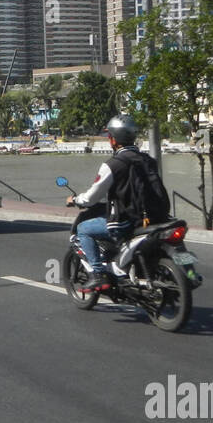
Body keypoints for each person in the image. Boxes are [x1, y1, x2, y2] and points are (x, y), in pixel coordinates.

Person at [66, 116, 170, 292]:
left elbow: (92, 197)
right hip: (155, 217)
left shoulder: (113, 164)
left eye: (109, 137)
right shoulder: (147, 160)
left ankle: (97, 274)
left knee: (84, 229)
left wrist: (75, 200)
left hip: (126, 221)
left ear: (113, 139)